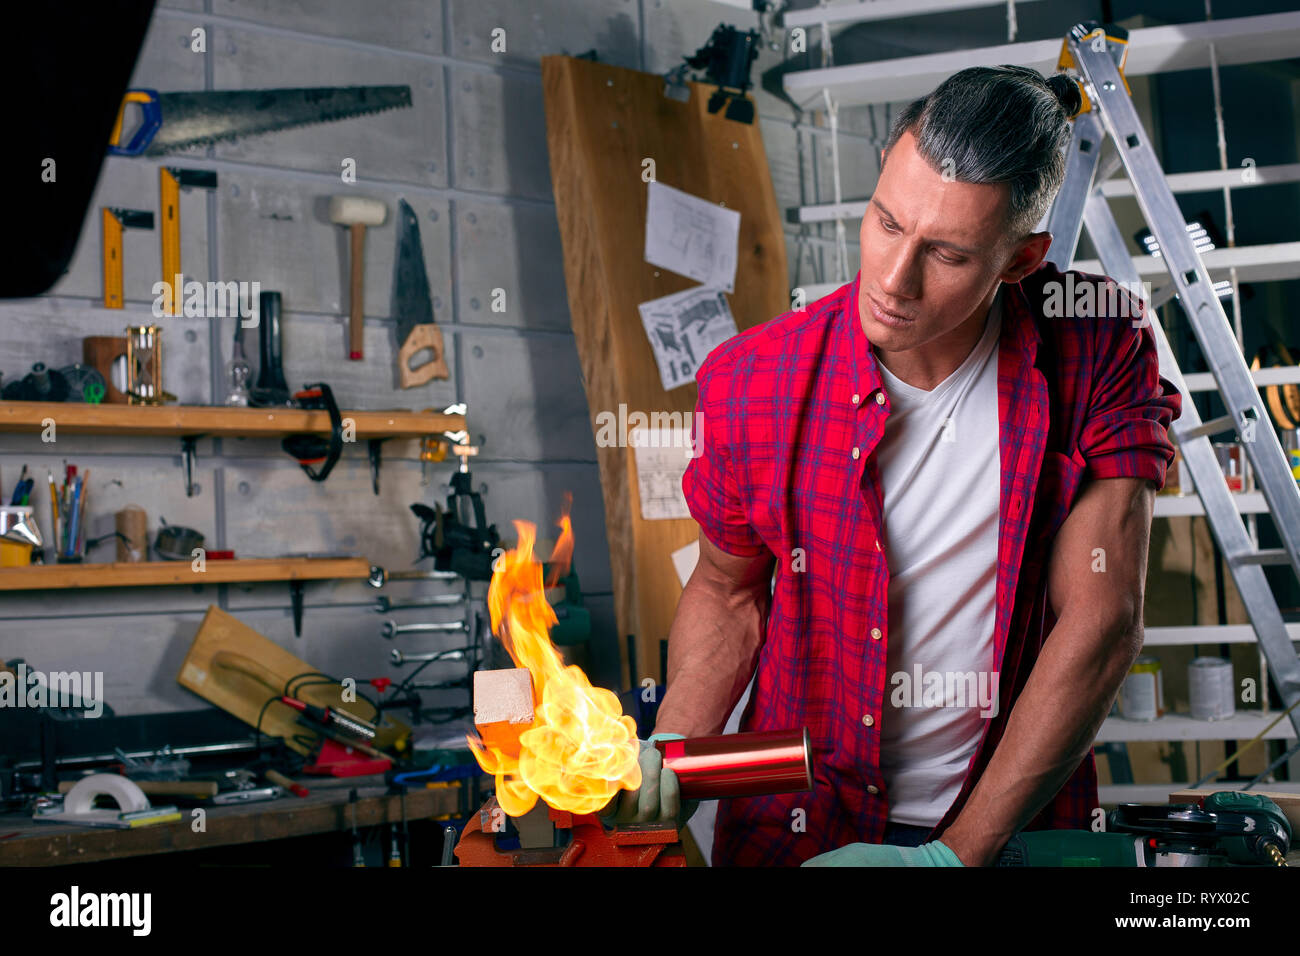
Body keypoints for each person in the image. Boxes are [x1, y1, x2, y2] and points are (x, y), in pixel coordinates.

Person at [604, 64, 1184, 866]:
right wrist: (677, 742)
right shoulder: (751, 381)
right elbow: (727, 587)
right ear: (882, 173)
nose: (892, 279)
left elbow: (1102, 618)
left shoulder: (1096, 349)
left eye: (946, 254)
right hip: (799, 820)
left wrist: (954, 857)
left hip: (1004, 826)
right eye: (886, 223)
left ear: (1021, 260)